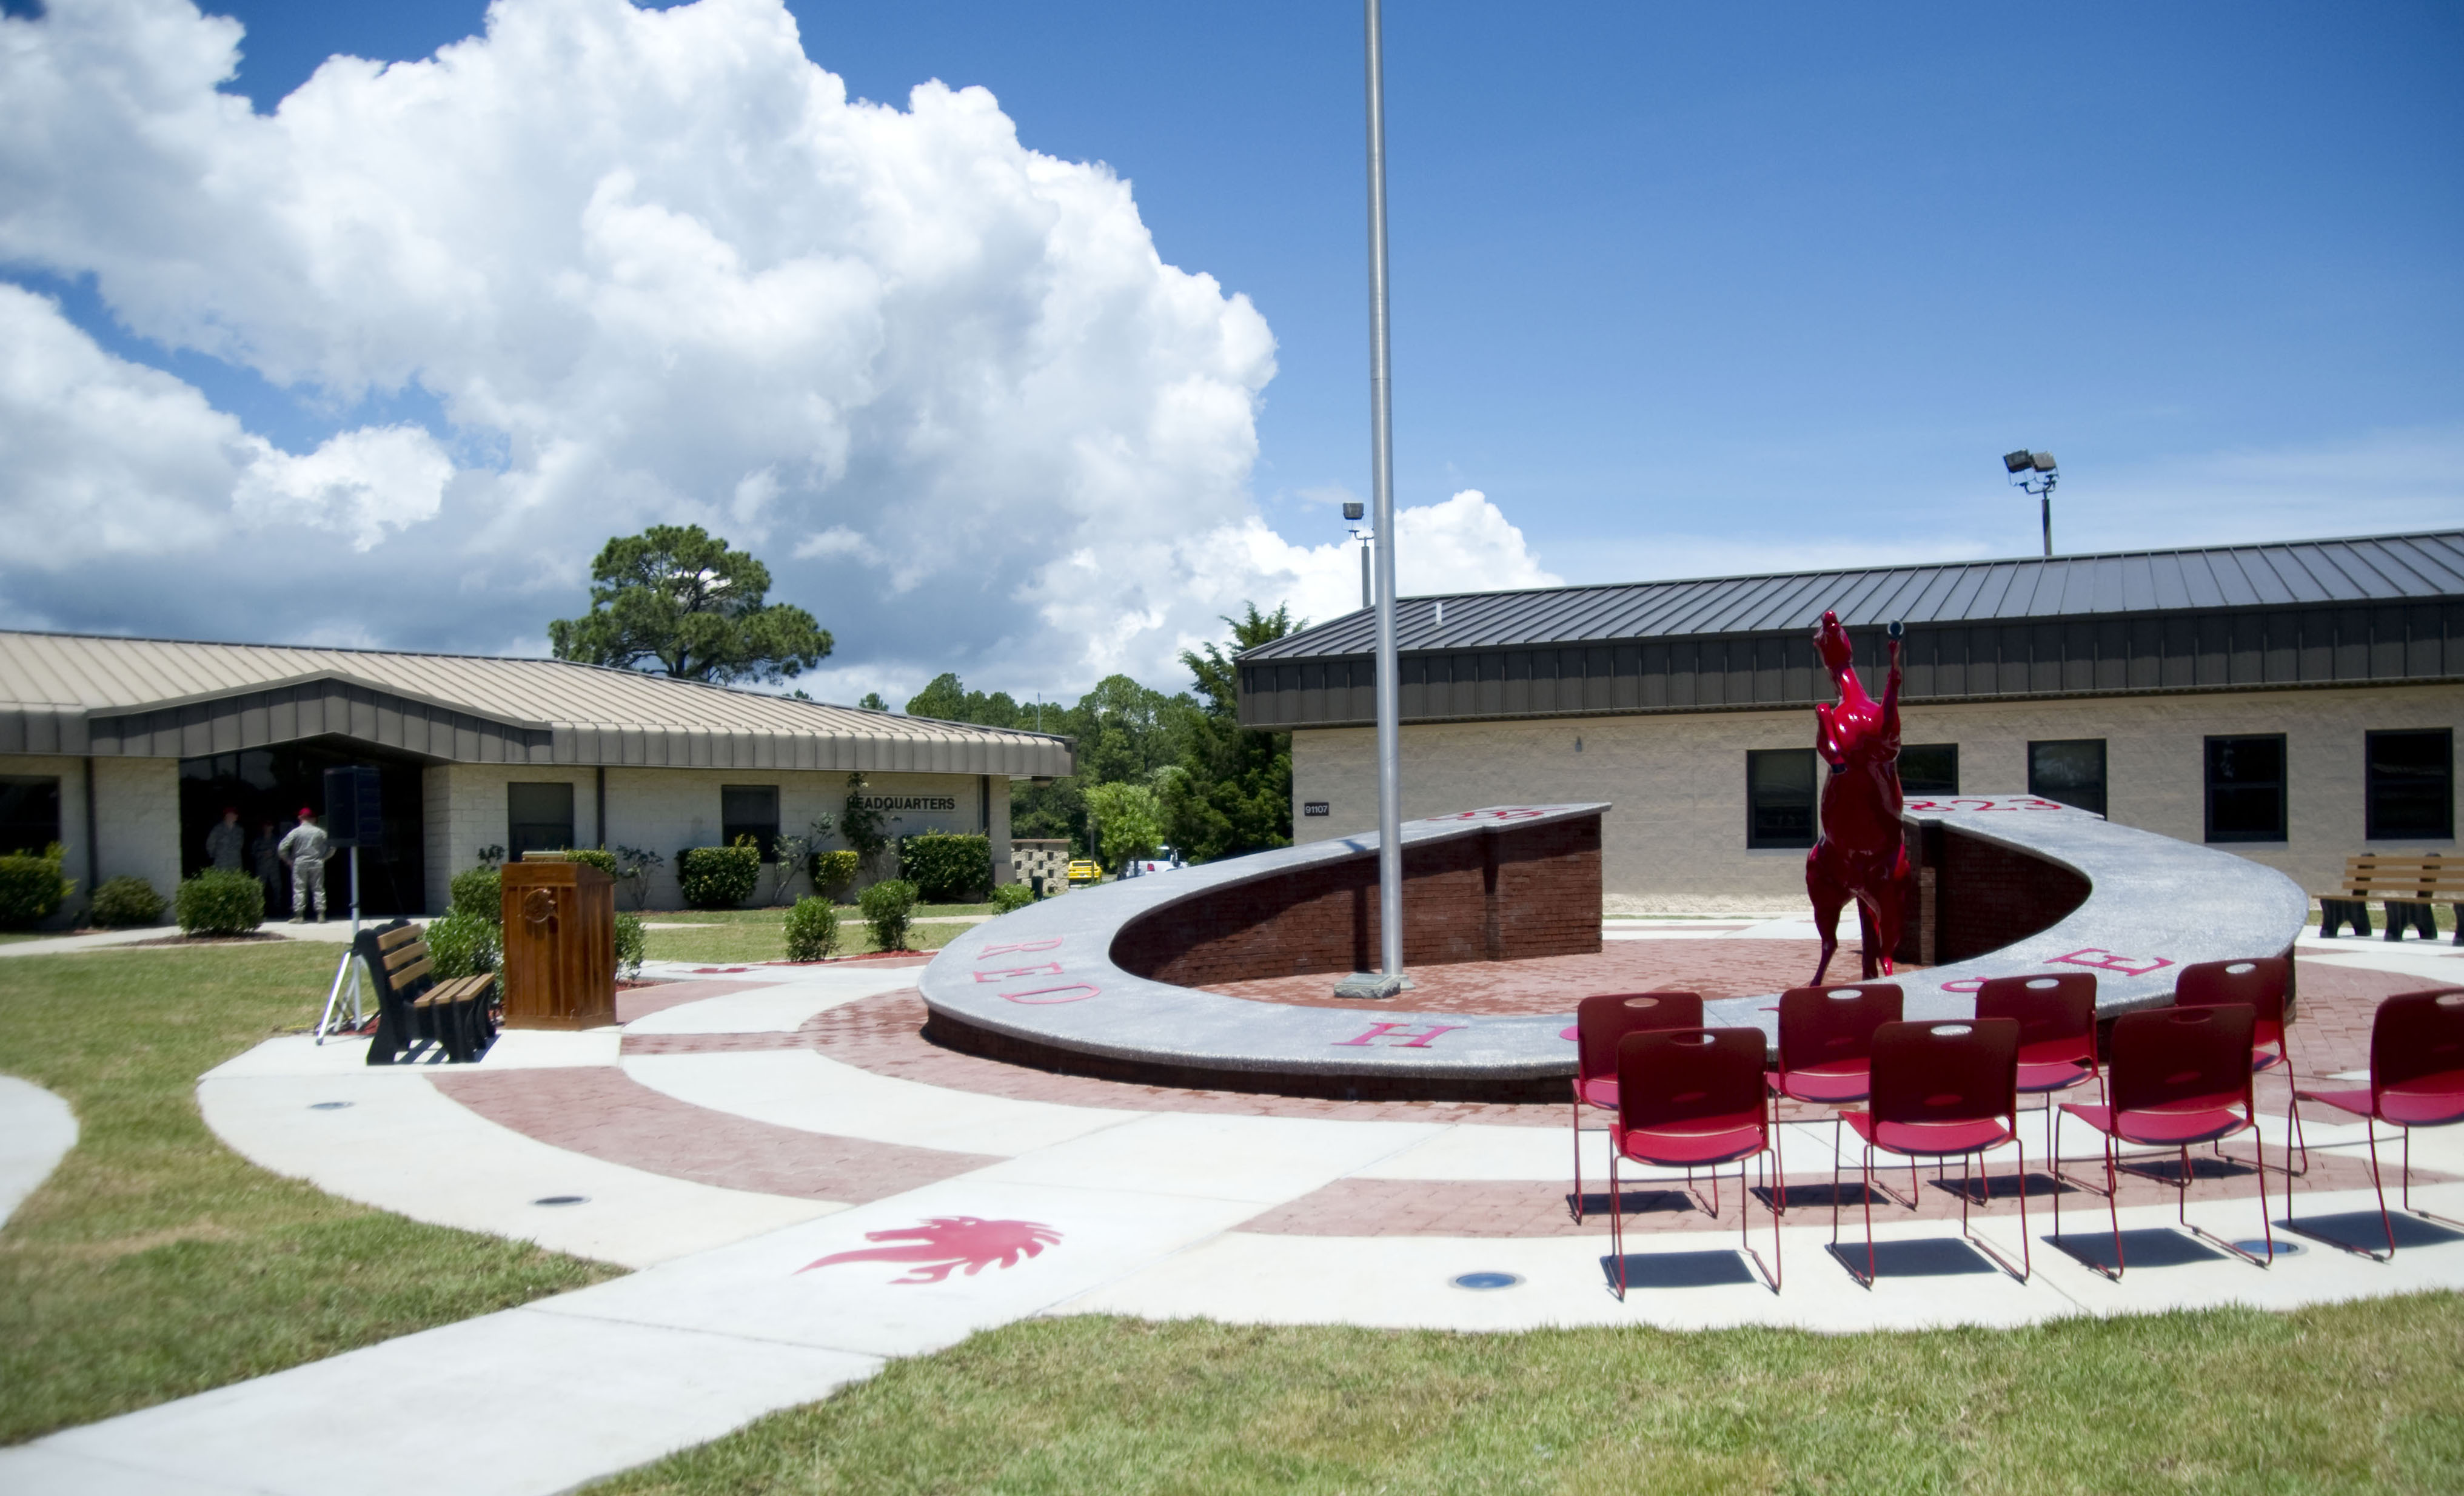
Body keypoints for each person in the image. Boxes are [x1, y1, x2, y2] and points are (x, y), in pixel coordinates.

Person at [278, 807, 330, 923]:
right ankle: (321, 915)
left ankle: (299, 915)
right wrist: (324, 858)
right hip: (317, 862)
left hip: (300, 862)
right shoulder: (320, 832)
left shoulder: (295, 832)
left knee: (299, 888)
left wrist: (288, 860)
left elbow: (282, 848)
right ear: (312, 819)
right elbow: (332, 846)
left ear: (301, 818)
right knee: (318, 888)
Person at [250, 820, 285, 911]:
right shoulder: (258, 840)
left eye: (270, 826)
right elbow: (253, 853)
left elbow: (282, 853)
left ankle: (278, 908)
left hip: (274, 867)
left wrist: (273, 854)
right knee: (259, 888)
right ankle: (258, 908)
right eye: (266, 826)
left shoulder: (276, 840)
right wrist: (263, 854)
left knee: (277, 888)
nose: (268, 828)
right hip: (262, 868)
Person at [204, 807, 246, 873]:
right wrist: (217, 855)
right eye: (234, 815)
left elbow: (241, 845)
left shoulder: (240, 830)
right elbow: (210, 844)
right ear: (227, 816)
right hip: (222, 863)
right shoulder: (218, 829)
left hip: (236, 863)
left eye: (236, 815)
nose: (236, 816)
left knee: (236, 882)